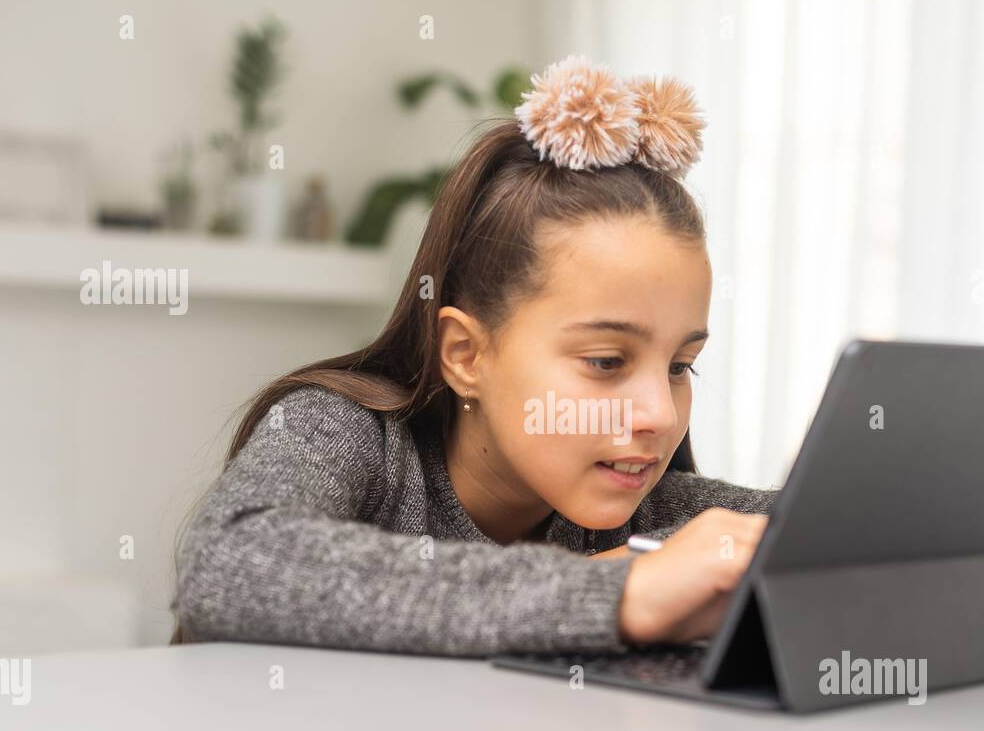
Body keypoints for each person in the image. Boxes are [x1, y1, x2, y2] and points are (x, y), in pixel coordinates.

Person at [170, 54, 775, 655]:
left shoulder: (645, 509)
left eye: (678, 367)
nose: (659, 416)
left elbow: (840, 530)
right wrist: (618, 592)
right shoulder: (345, 435)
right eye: (606, 362)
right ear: (465, 355)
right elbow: (229, 561)